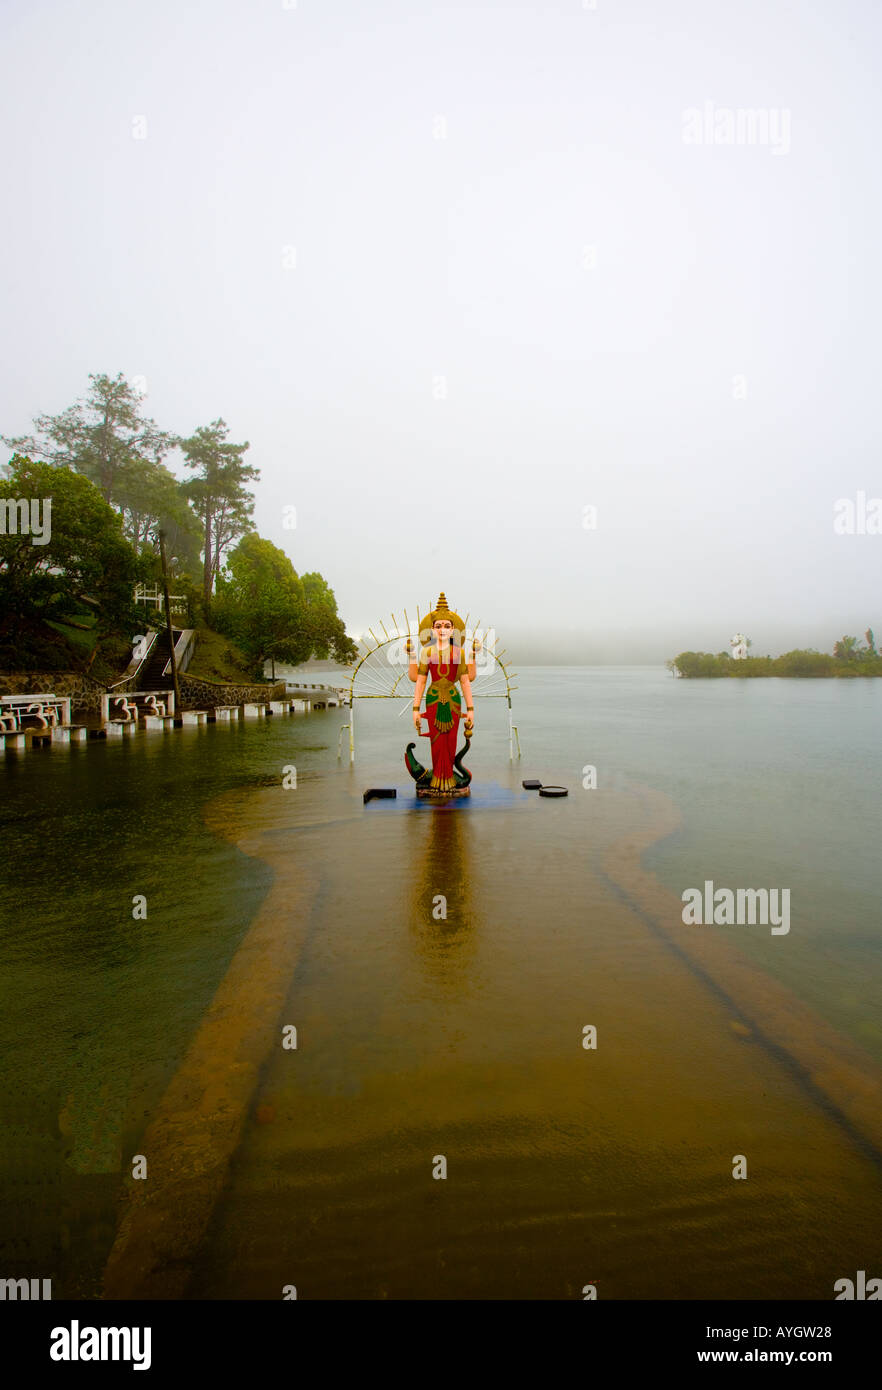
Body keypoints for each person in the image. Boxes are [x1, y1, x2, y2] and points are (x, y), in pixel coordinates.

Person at [407, 592, 475, 794]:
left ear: (453, 629)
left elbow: (464, 681)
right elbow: (420, 680)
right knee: (436, 741)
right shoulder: (427, 652)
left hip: (453, 700)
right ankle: (437, 776)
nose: (443, 630)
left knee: (451, 739)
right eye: (438, 626)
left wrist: (471, 709)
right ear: (432, 629)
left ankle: (450, 778)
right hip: (434, 700)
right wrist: (416, 708)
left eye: (447, 626)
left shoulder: (460, 653)